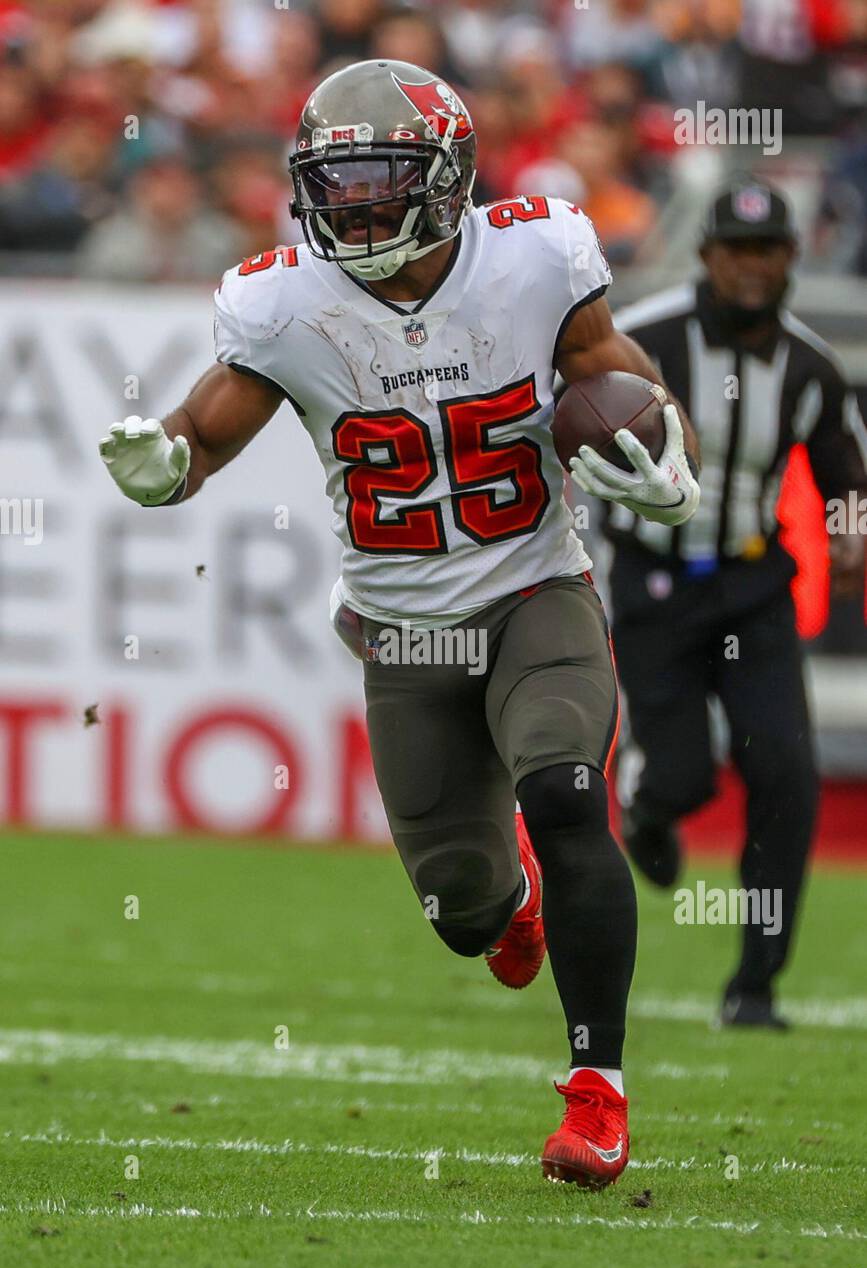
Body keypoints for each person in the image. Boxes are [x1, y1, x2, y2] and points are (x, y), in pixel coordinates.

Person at [100, 59, 700, 1187]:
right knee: (465, 913)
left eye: (382, 180)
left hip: (534, 588)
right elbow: (204, 433)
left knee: (566, 790)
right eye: (338, 182)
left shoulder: (534, 258)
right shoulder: (284, 301)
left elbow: (624, 382)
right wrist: (165, 466)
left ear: (448, 176)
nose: (357, 204)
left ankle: (598, 1093)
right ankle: (512, 901)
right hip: (403, 628)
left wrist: (672, 465)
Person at [605, 178, 867, 1029]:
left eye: (768, 252)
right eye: (736, 251)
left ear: (791, 259)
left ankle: (754, 984)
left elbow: (844, 479)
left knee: (785, 773)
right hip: (653, 577)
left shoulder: (808, 368)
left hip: (753, 586)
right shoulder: (641, 342)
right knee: (684, 777)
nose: (752, 268)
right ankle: (649, 801)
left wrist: (847, 532)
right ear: (707, 255)